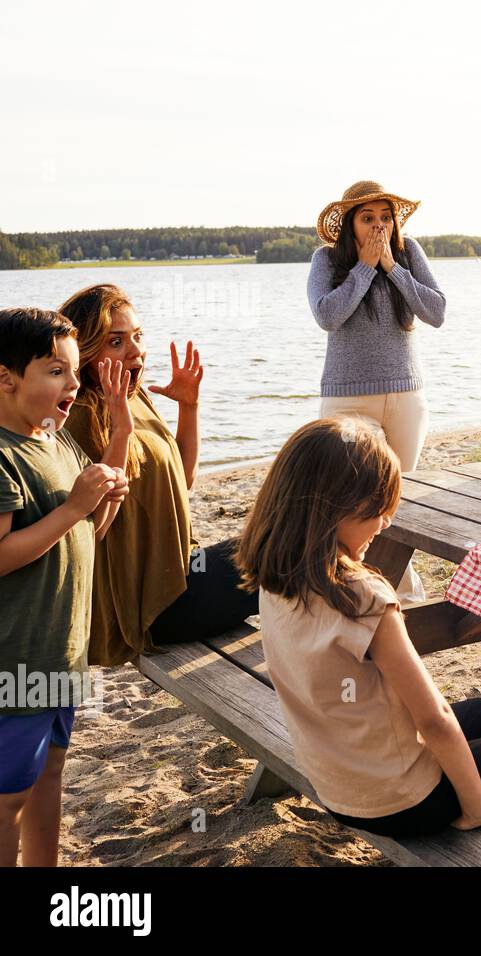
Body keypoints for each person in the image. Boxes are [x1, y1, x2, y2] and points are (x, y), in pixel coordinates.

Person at [237, 418, 481, 837]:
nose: (385, 523)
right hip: (400, 801)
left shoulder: (275, 575)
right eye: (377, 510)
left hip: (338, 786)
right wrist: (478, 809)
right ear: (336, 509)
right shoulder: (362, 597)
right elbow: (434, 719)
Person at [60, 284, 258, 665]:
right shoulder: (79, 416)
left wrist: (189, 406)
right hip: (149, 606)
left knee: (290, 549)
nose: (136, 351)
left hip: (184, 569)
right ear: (83, 353)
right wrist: (119, 432)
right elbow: (91, 527)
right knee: (290, 554)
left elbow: (182, 480)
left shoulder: (132, 397)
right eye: (116, 342)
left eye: (137, 336)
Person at [0, 307, 131, 866]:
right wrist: (76, 505)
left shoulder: (56, 442)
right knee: (7, 798)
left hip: (61, 651)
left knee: (50, 775)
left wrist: (102, 495)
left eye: (74, 371)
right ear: (5, 378)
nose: (73, 385)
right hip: (16, 657)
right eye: (56, 371)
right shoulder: (3, 454)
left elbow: (87, 531)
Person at [308, 180, 446, 604]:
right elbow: (327, 316)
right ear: (349, 224)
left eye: (385, 218)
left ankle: (397, 598)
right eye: (368, 218)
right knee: (353, 501)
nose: (378, 226)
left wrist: (391, 267)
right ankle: (362, 591)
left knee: (395, 500)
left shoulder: (408, 253)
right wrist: (365, 269)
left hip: (405, 396)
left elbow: (436, 311)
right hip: (348, 400)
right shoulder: (327, 261)